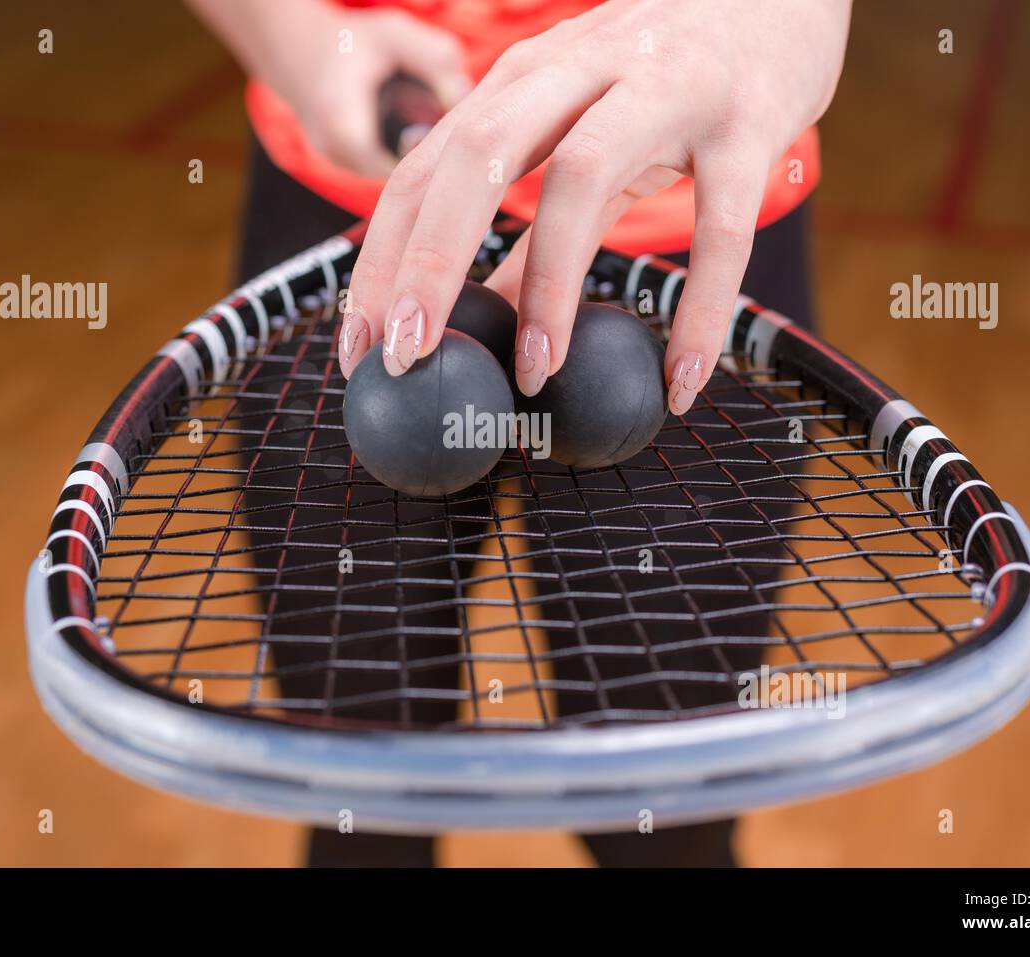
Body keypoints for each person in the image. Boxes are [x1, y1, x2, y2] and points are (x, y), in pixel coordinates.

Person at [188, 0, 853, 867]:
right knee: (363, 811)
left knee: (663, 831)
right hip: (351, 206)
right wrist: (295, 38)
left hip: (692, 209)